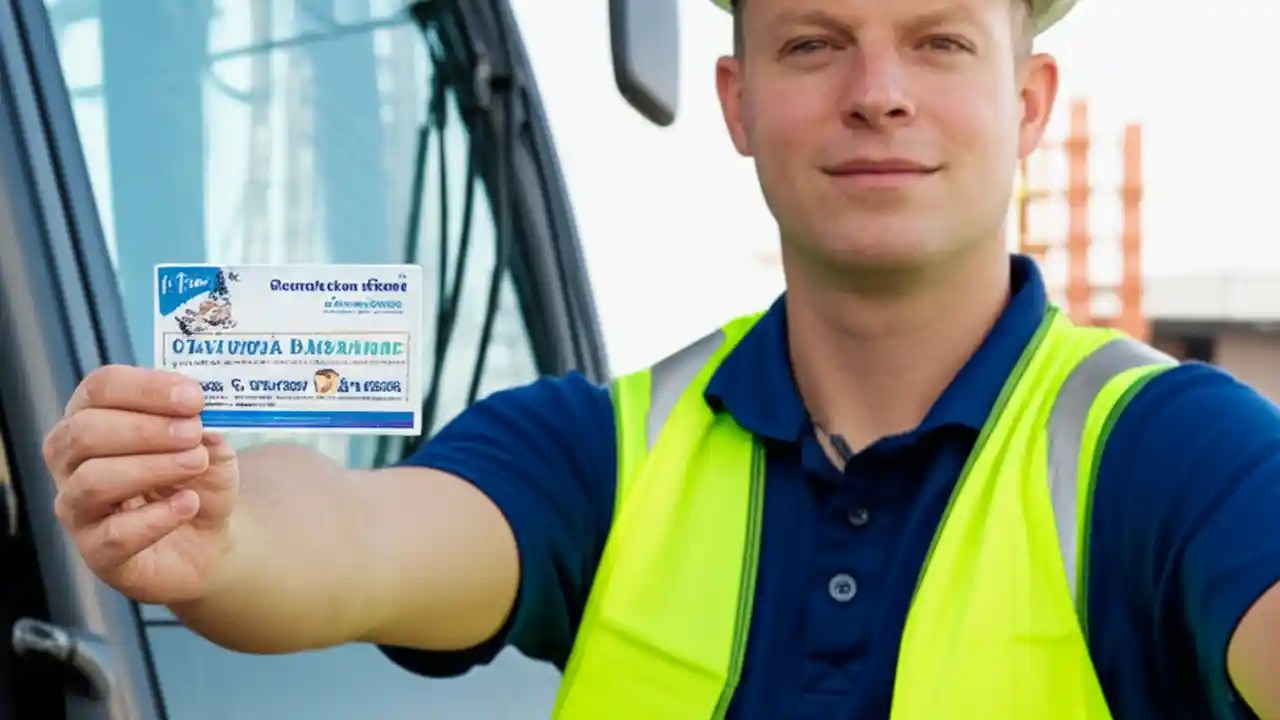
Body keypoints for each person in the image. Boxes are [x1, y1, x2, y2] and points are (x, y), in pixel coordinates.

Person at [40, 0, 1280, 717]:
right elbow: (361, 530)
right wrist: (226, 531)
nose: (876, 93)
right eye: (813, 42)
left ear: (1026, 101)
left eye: (940, 40)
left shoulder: (1172, 457)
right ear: (737, 103)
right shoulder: (602, 451)